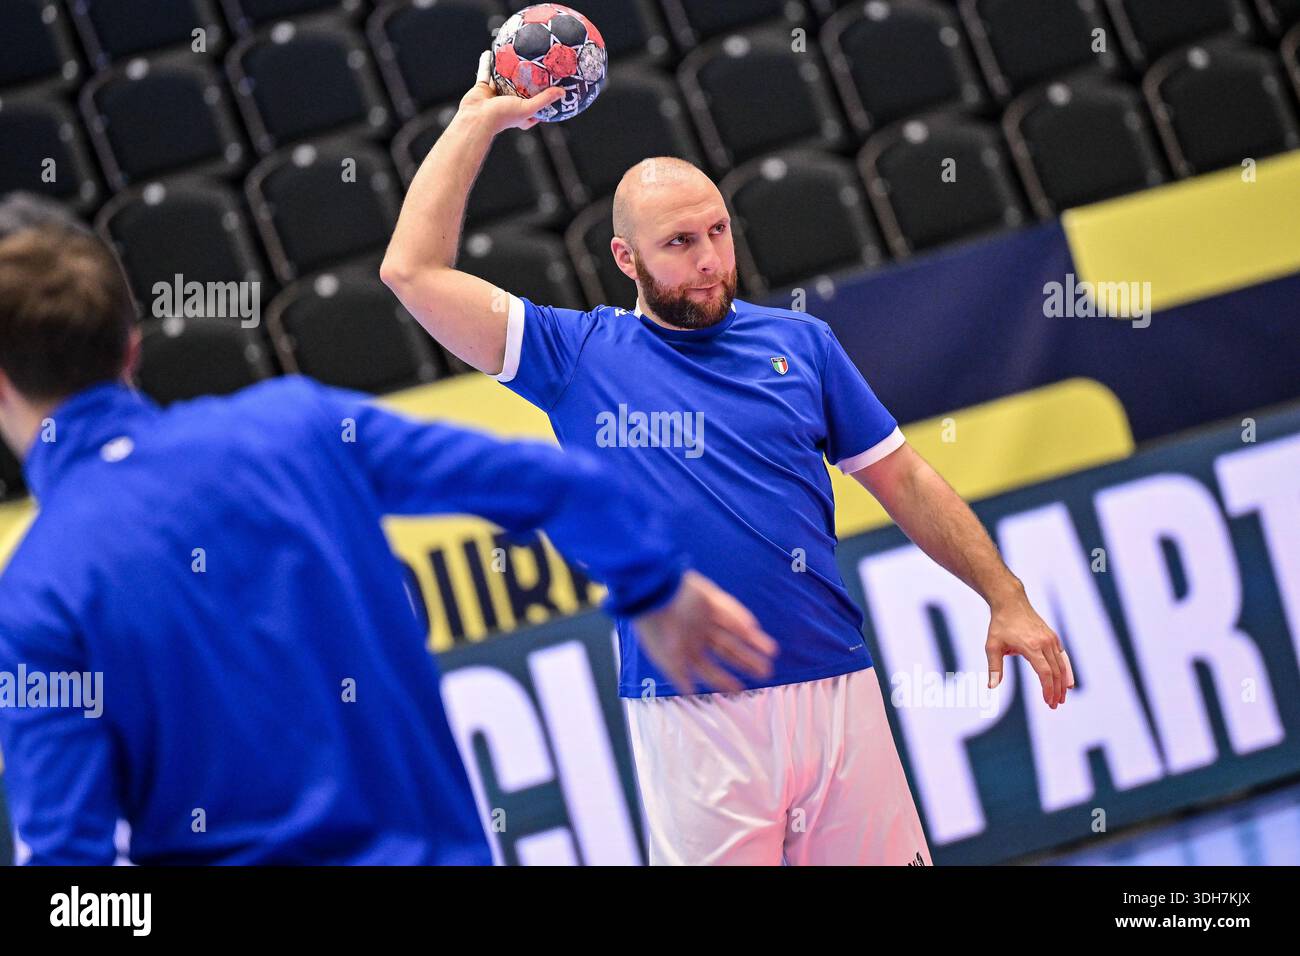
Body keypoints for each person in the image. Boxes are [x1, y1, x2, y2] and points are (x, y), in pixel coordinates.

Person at [378, 55, 1075, 865]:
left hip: (835, 684)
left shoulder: (800, 345)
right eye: (678, 243)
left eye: (717, 232)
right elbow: (411, 272)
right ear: (626, 259)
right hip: (692, 713)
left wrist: (1006, 595)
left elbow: (905, 478)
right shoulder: (575, 356)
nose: (709, 258)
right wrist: (478, 121)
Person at [0, 209, 774, 865]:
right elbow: (555, 481)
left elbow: (70, 877)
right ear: (131, 343)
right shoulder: (297, 426)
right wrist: (654, 588)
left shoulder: (37, 590)